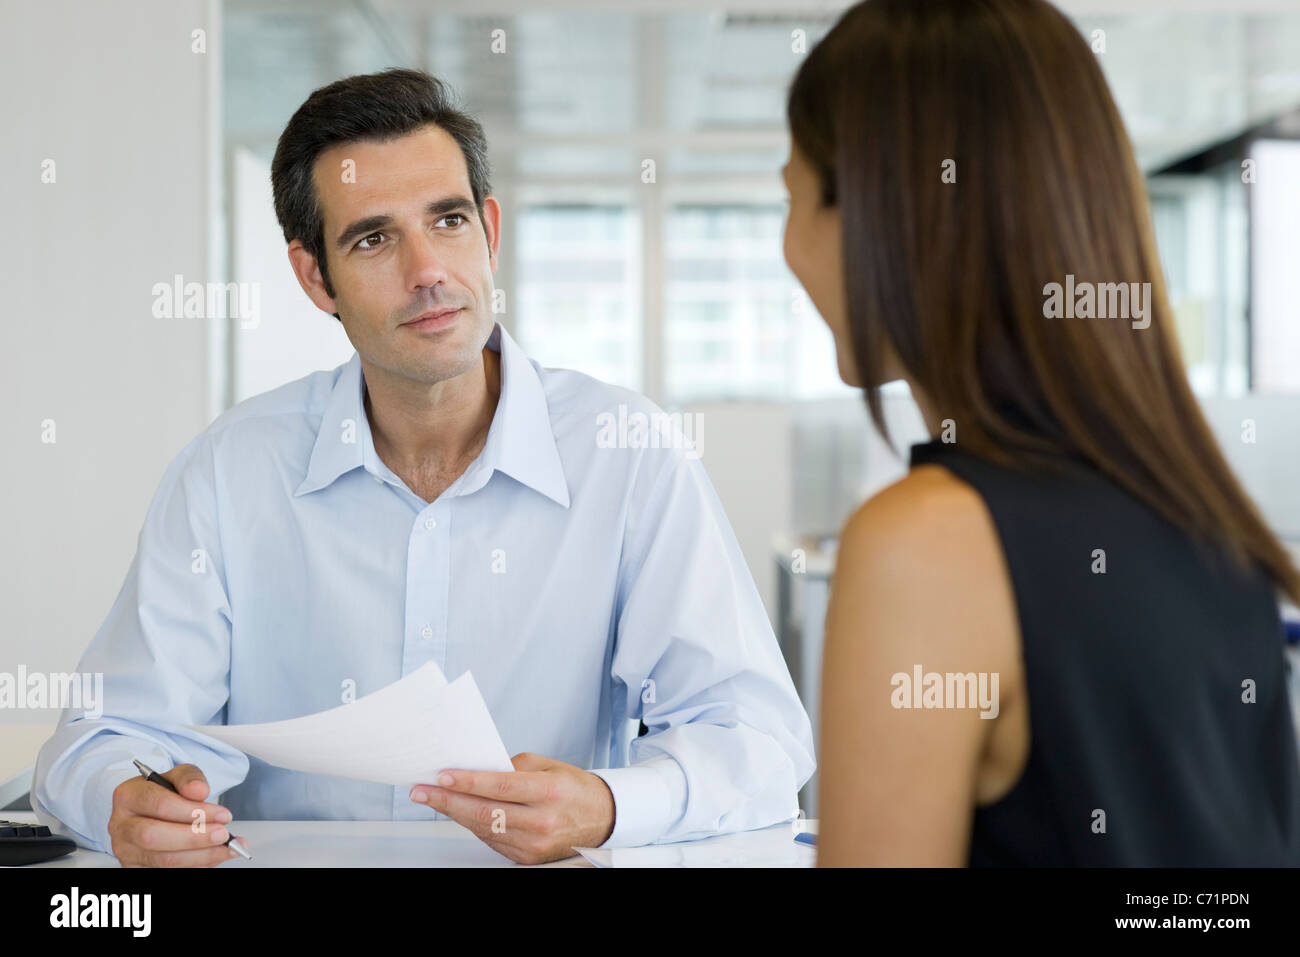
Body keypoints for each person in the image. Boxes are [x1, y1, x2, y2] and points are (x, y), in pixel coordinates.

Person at [32, 68, 814, 867]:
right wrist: (124, 803)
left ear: (491, 231)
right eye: (373, 238)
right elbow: (99, 739)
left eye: (447, 220)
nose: (427, 270)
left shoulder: (629, 455)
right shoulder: (229, 472)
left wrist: (610, 804)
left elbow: (759, 737)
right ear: (314, 277)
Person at [781, 0, 1300, 865]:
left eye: (793, 198)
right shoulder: (1208, 518)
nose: (789, 247)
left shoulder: (927, 544)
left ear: (880, 214)